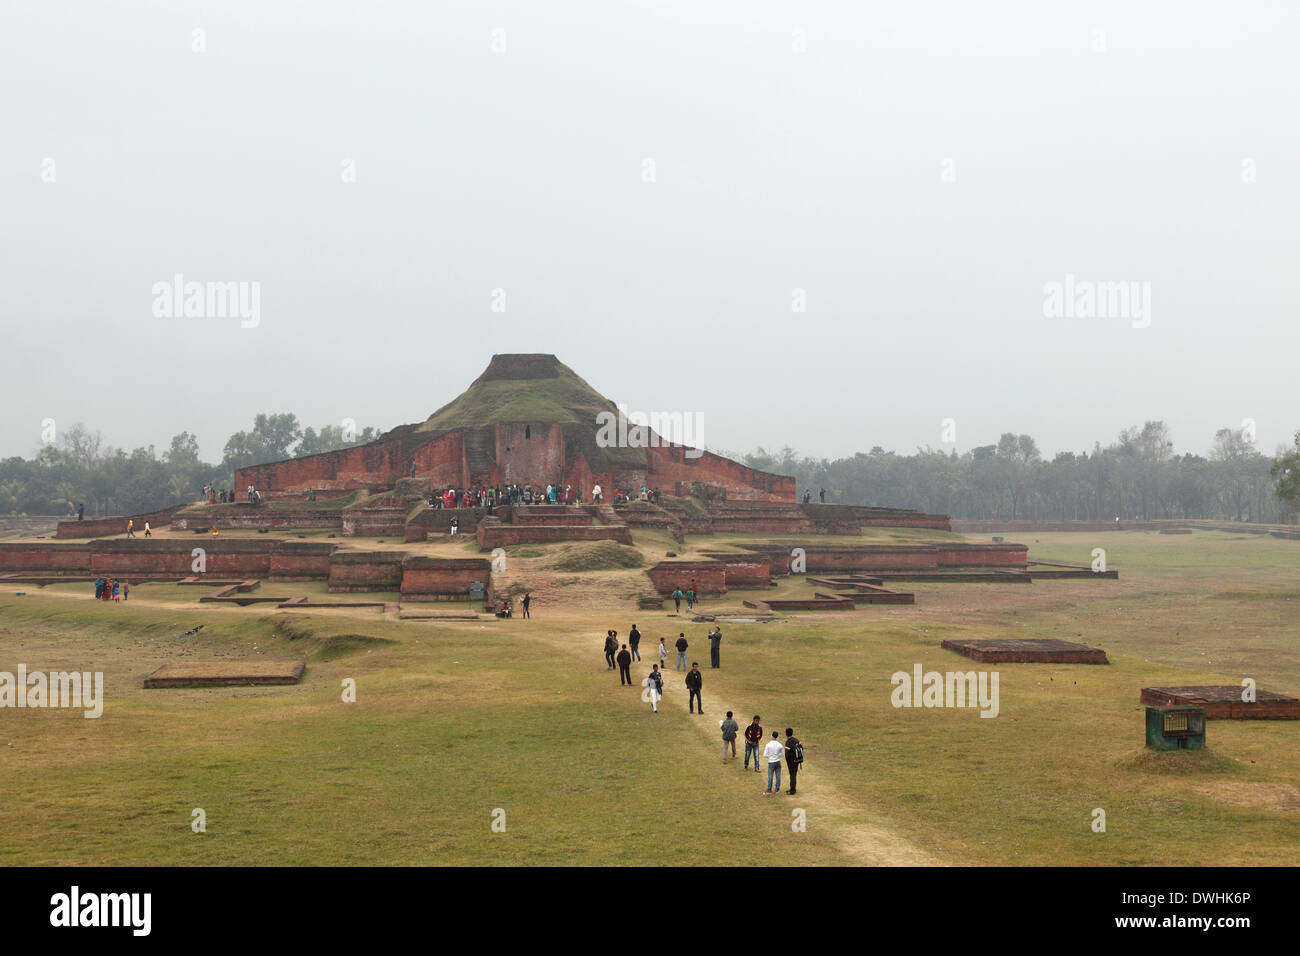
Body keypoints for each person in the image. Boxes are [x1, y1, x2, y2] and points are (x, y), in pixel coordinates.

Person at [784, 728, 804, 795]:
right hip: (797, 760)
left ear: (786, 734)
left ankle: (792, 790)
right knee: (794, 774)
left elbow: (787, 754)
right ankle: (792, 788)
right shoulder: (797, 740)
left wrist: (787, 761)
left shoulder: (788, 742)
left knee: (792, 775)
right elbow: (802, 748)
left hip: (791, 762)